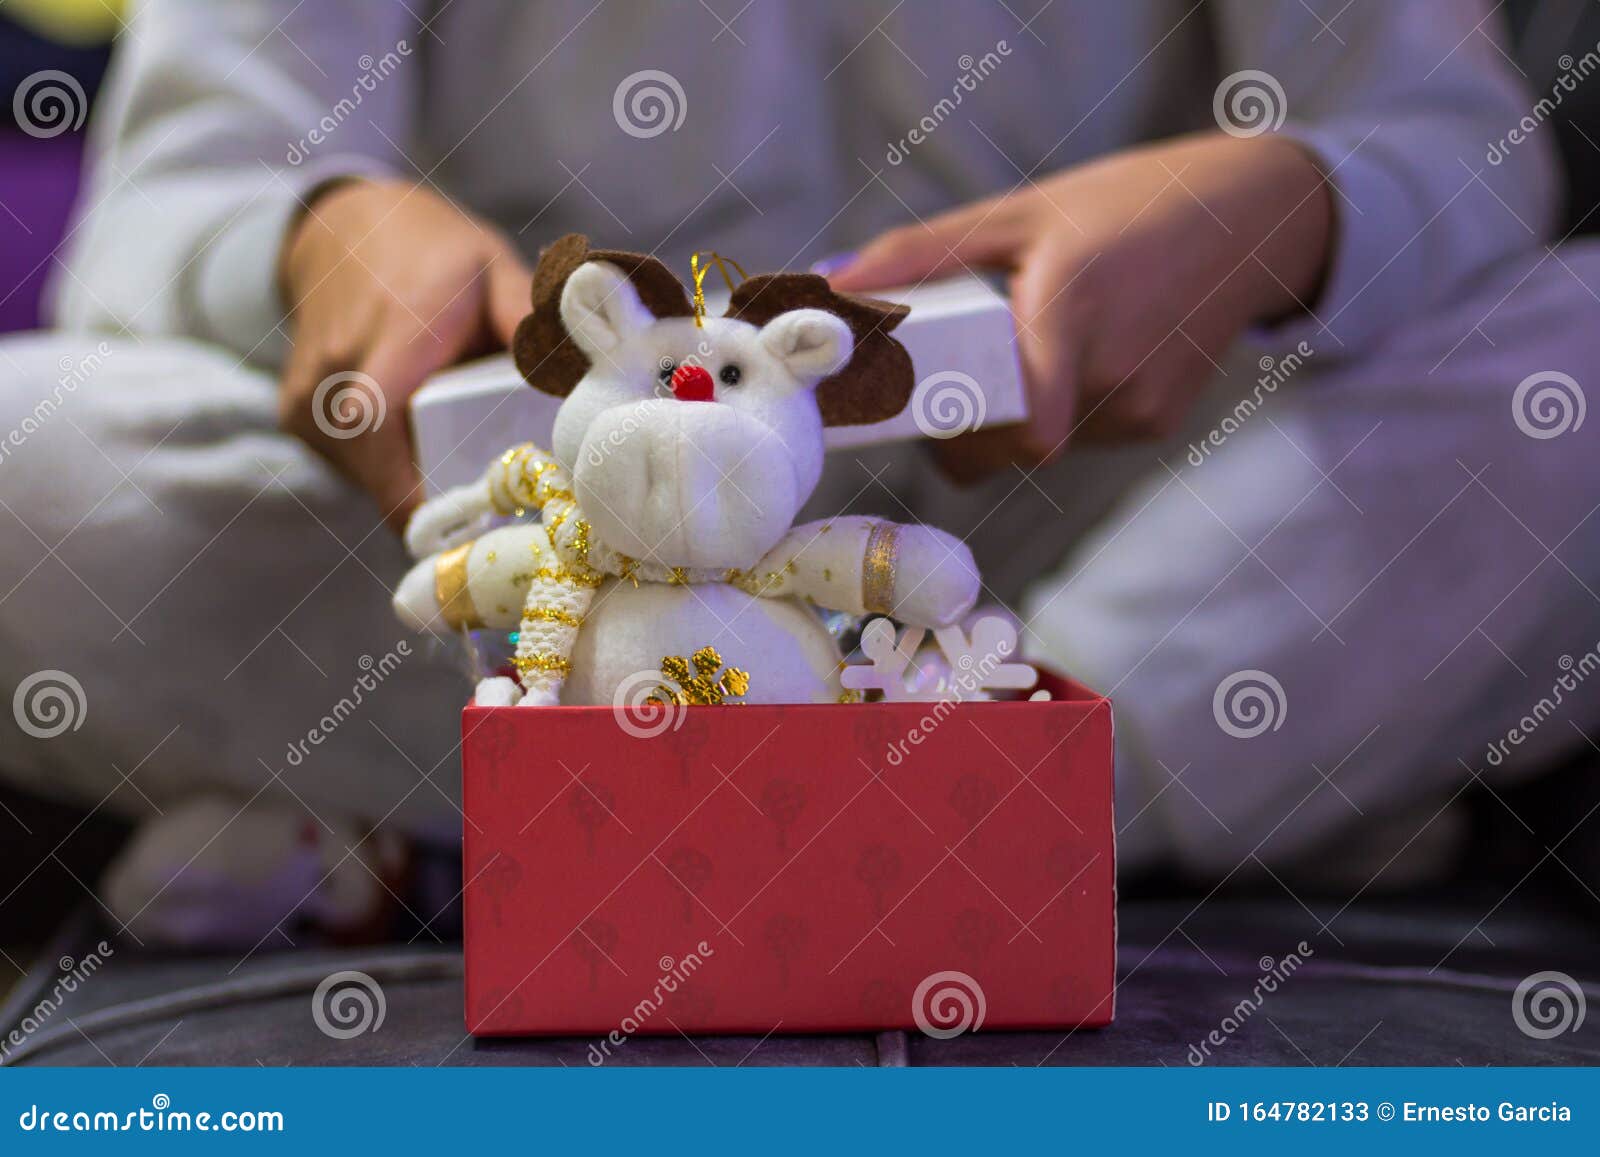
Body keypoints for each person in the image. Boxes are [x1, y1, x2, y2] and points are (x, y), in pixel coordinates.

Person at [2, 0, 1596, 947]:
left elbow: (1456, 139)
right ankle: (1116, 802)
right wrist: (314, 237)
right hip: (557, 565)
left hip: (1117, 520)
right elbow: (170, 202)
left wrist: (1282, 206)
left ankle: (518, 841)